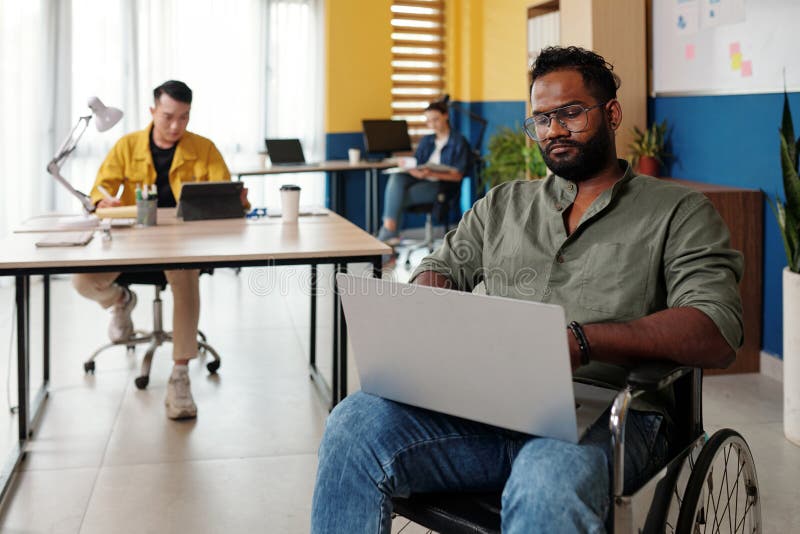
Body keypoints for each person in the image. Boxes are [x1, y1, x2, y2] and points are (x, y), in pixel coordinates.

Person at [311, 46, 744, 532]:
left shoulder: (678, 211)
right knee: (354, 424)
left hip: (610, 413)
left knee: (545, 479)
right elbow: (440, 264)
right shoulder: (503, 205)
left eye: (570, 113)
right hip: (487, 404)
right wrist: (428, 298)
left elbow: (714, 329)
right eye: (541, 118)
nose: (554, 129)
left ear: (612, 113)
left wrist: (585, 341)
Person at [73, 80, 246, 421]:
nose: (176, 126)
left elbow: (225, 193)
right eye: (168, 116)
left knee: (185, 280)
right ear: (152, 111)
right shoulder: (127, 145)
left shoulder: (204, 148)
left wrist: (235, 199)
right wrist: (101, 199)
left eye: (184, 117)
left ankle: (180, 375)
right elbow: (101, 186)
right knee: (82, 281)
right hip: (131, 245)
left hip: (184, 245)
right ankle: (120, 302)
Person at [376, 101, 471, 244]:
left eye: (435, 119)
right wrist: (412, 169)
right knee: (397, 177)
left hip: (441, 186)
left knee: (397, 197)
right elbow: (417, 163)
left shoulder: (459, 141)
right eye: (428, 120)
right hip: (421, 179)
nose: (432, 124)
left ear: (446, 116)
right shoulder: (427, 140)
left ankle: (388, 234)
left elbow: (457, 176)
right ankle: (390, 236)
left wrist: (431, 174)